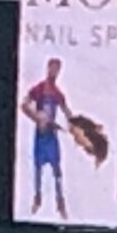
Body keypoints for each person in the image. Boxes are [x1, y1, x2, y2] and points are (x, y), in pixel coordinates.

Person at [22, 58, 73, 220]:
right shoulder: (39, 89)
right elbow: (24, 104)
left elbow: (67, 112)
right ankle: (37, 199)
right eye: (52, 68)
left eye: (57, 69)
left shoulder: (58, 94)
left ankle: (60, 203)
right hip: (40, 134)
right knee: (38, 168)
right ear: (48, 68)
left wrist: (74, 126)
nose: (54, 72)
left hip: (51, 135)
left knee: (57, 169)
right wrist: (37, 117)